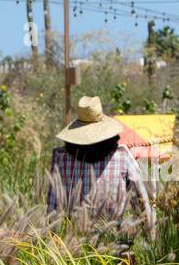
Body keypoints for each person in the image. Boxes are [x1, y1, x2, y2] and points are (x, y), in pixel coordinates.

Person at [47, 96, 155, 237]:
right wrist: (150, 237)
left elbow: (52, 207)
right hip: (113, 239)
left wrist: (51, 241)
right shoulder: (122, 156)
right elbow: (141, 201)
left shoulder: (61, 157)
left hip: (71, 242)